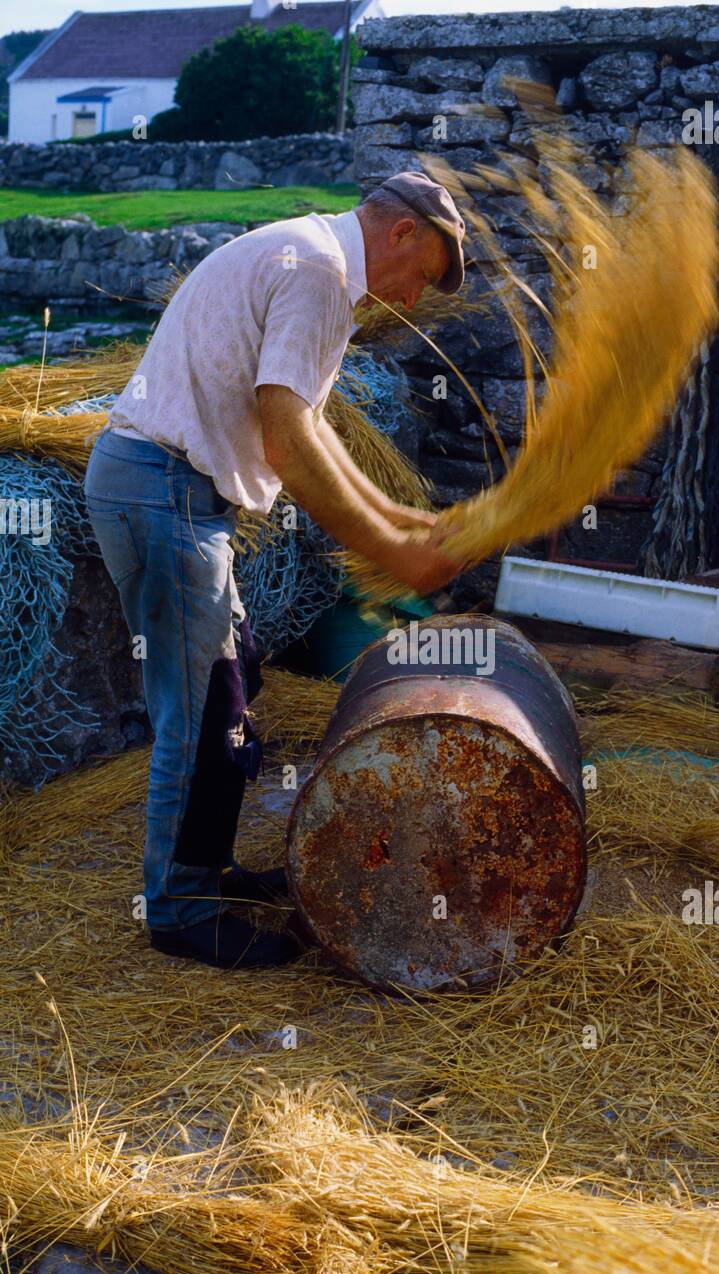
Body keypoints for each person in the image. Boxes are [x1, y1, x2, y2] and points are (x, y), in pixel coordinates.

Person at [83, 172, 467, 969]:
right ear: (400, 233)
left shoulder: (311, 256)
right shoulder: (321, 273)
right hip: (163, 491)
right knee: (198, 716)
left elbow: (311, 428)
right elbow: (286, 444)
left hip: (166, 489)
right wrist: (391, 553)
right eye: (423, 274)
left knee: (236, 680)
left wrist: (405, 523)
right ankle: (179, 910)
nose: (414, 299)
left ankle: (207, 868)